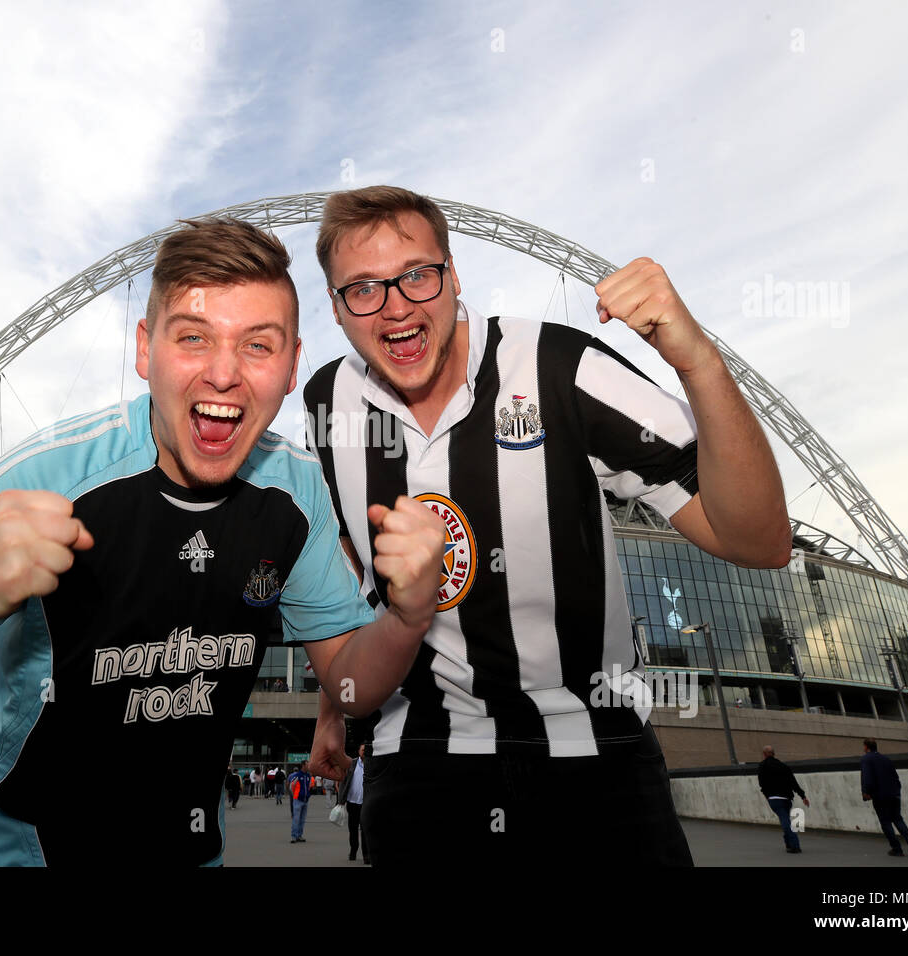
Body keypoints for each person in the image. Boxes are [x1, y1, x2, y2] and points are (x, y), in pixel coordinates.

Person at [0, 218, 444, 867]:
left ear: (292, 364)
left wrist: (409, 615)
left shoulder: (295, 493)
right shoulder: (48, 480)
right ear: (143, 349)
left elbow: (352, 687)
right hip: (13, 850)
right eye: (193, 338)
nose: (223, 374)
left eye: (257, 345)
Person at [303, 185, 792, 867]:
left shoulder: (561, 367)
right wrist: (335, 707)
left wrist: (697, 362)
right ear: (336, 307)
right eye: (363, 289)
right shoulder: (329, 400)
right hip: (421, 762)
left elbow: (759, 541)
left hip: (596, 758)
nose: (396, 306)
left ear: (453, 274)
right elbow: (353, 562)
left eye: (417, 274)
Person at [861, 738, 908, 857]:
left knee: (885, 821)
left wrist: (866, 792)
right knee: (897, 818)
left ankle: (897, 848)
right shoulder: (886, 759)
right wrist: (897, 790)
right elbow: (895, 776)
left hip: (879, 795)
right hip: (894, 794)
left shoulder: (866, 759)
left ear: (866, 747)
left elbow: (867, 777)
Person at [757, 745, 809, 854]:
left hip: (774, 799)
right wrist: (803, 796)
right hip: (787, 799)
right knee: (785, 819)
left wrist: (767, 796)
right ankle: (789, 844)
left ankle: (795, 846)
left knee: (785, 821)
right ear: (774, 753)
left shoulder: (762, 766)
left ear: (764, 754)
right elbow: (793, 783)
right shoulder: (784, 766)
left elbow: (762, 784)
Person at [336, 743, 369, 863]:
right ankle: (353, 851)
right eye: (362, 750)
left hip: (366, 803)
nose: (364, 752)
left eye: (366, 750)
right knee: (353, 829)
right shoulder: (351, 764)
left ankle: (366, 855)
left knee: (365, 830)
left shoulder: (372, 764)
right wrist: (341, 800)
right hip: (352, 803)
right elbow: (344, 782)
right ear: (359, 751)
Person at [287, 760, 312, 843]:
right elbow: (291, 786)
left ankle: (299, 835)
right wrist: (295, 795)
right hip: (298, 800)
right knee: (296, 819)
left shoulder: (308, 776)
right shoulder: (297, 775)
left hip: (305, 800)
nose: (309, 766)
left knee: (302, 819)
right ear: (303, 766)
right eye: (307, 765)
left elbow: (309, 786)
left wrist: (308, 794)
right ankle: (294, 836)